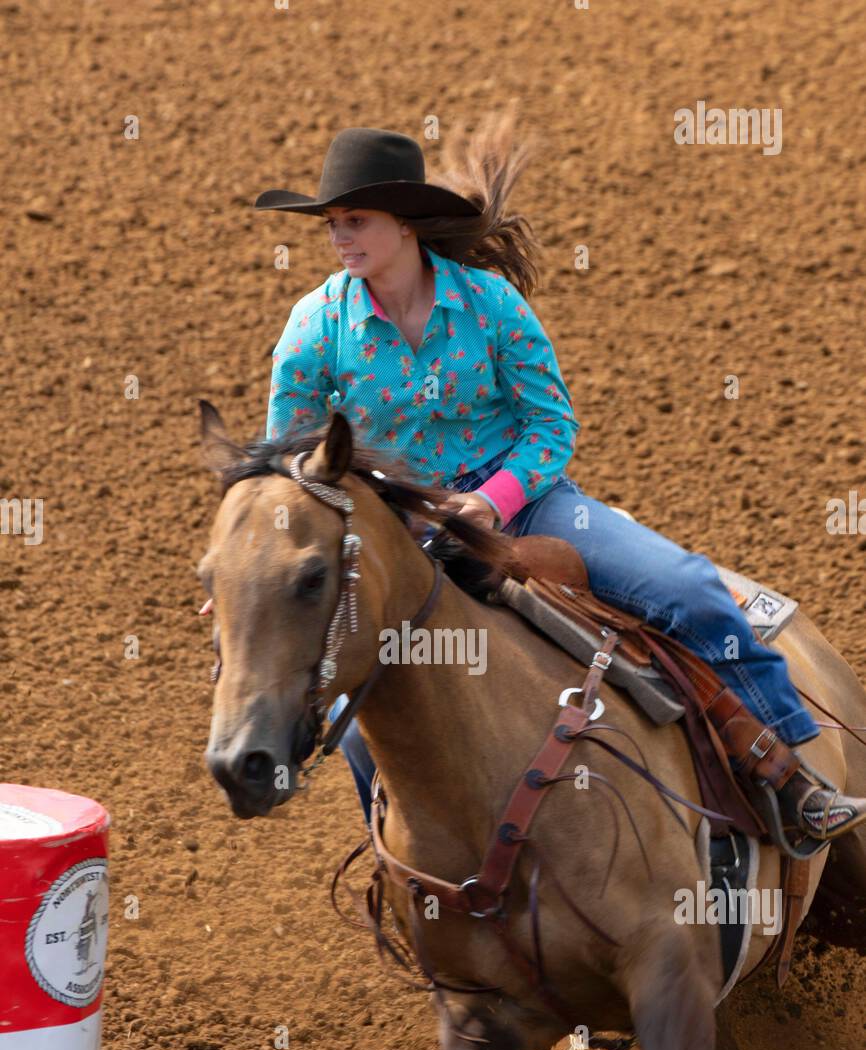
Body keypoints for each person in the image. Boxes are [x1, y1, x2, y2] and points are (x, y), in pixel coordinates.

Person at [255, 115, 866, 845]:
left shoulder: (489, 305)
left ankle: (792, 776)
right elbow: (289, 471)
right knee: (364, 731)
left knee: (690, 591)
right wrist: (267, 560)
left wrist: (489, 500)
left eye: (355, 219)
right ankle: (408, 883)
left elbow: (552, 426)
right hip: (404, 540)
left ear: (407, 224)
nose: (339, 238)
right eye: (330, 224)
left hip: (531, 510)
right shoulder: (313, 330)